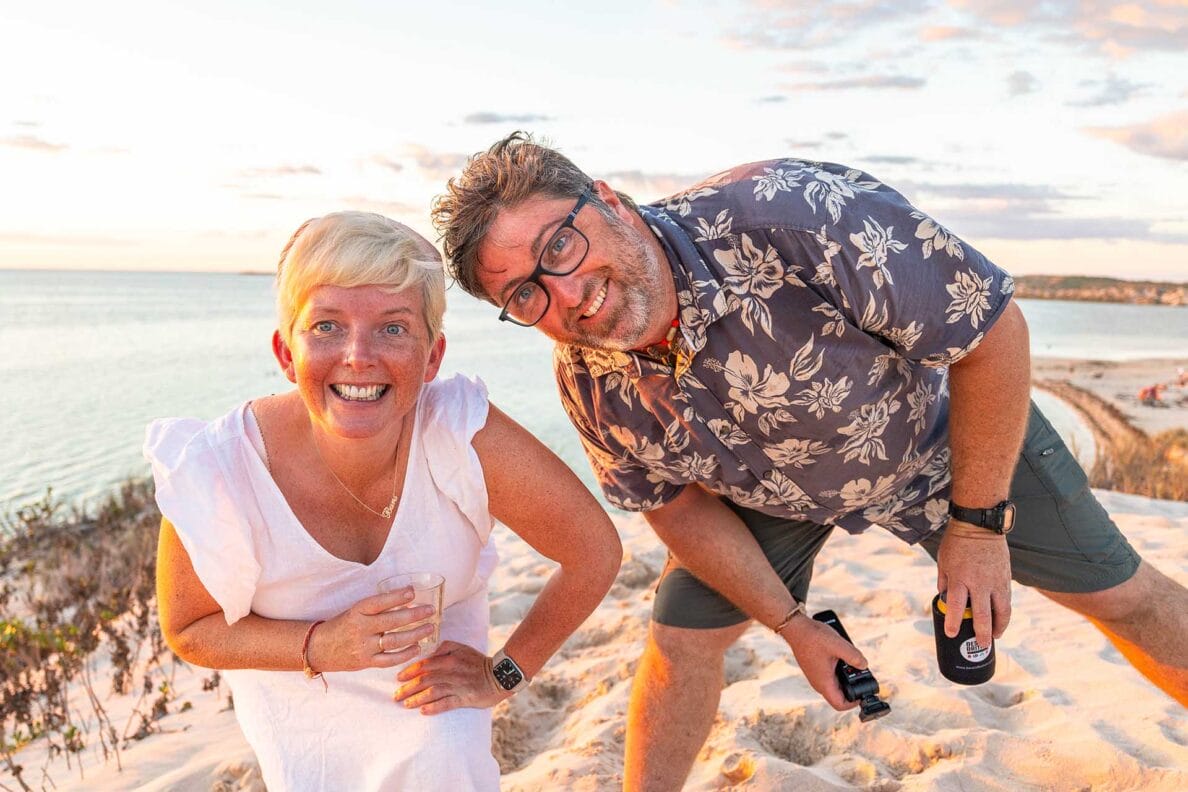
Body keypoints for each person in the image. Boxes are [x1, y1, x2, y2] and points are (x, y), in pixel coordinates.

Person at [432, 133, 1188, 790]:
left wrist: (979, 528)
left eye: (558, 247)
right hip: (771, 494)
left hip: (942, 441)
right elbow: (676, 508)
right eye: (525, 295)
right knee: (678, 640)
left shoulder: (792, 214)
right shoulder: (587, 379)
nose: (566, 294)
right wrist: (793, 625)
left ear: (609, 202)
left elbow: (992, 334)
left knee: (1124, 596)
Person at [146, 211, 621, 791]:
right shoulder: (220, 468)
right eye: (326, 326)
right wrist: (323, 644)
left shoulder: (458, 432)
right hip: (298, 691)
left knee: (443, 754)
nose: (358, 356)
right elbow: (190, 628)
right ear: (285, 353)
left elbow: (594, 550)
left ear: (432, 357)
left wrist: (504, 672)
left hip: (437, 685)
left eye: (393, 328)